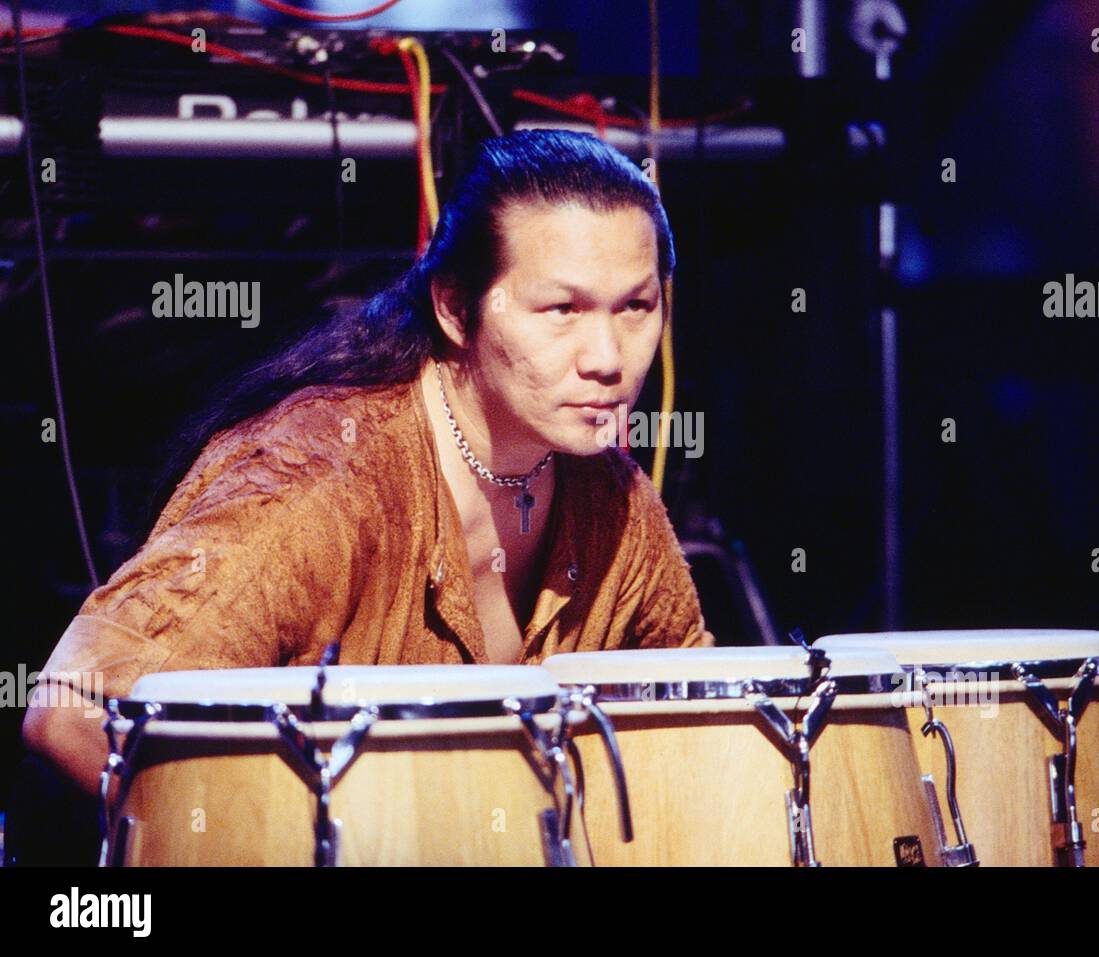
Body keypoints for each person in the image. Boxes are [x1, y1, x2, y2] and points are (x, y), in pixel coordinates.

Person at [22, 129, 715, 797]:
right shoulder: (323, 478)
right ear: (454, 306)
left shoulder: (614, 500)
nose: (608, 357)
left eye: (636, 306)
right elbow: (76, 710)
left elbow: (703, 734)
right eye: (561, 308)